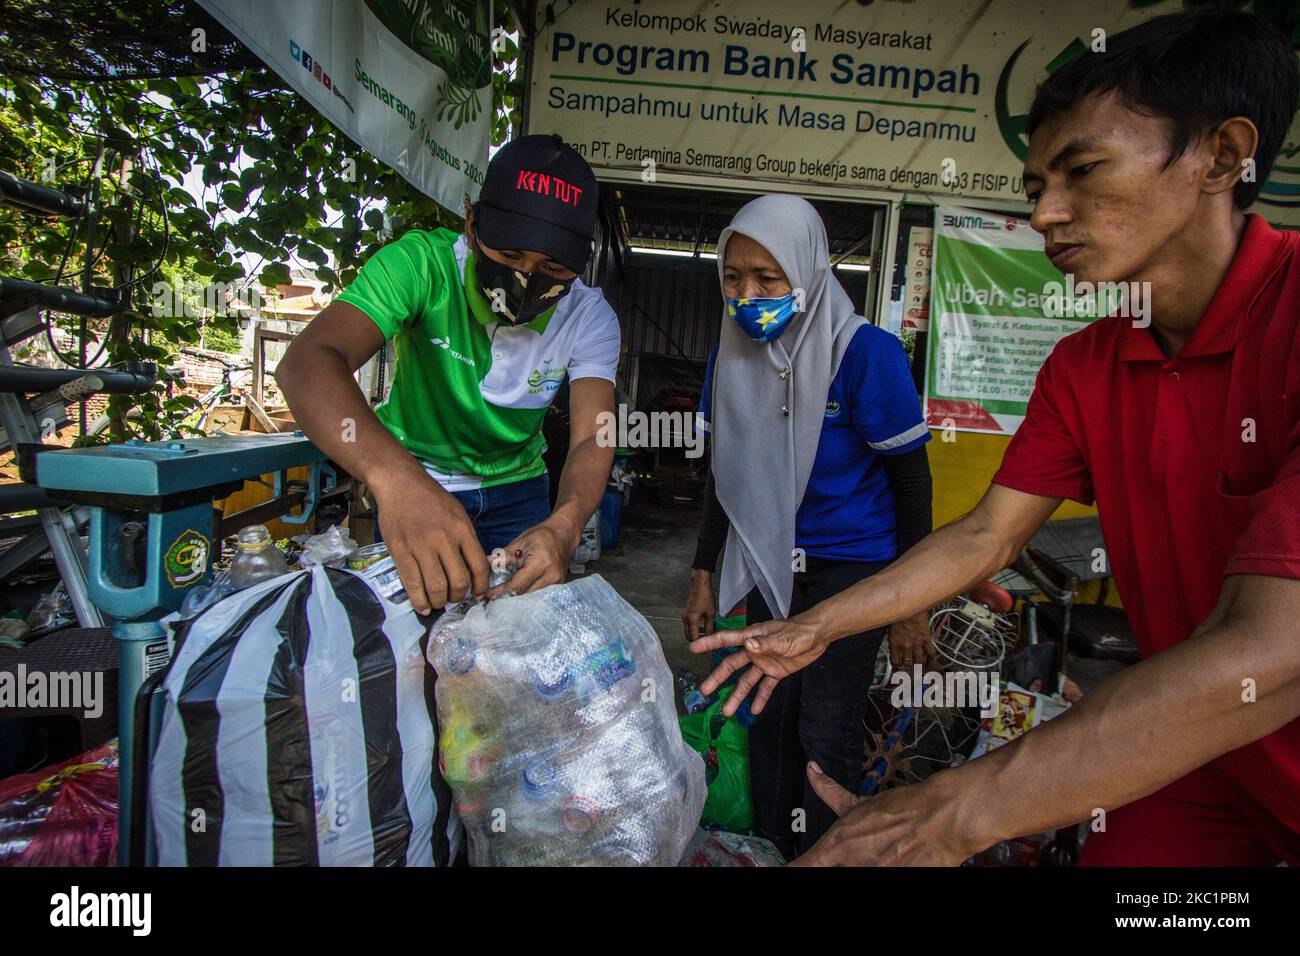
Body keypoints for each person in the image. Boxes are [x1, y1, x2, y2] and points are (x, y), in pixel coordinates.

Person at [692, 8, 1300, 866]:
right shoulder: (1084, 366)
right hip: (1200, 755)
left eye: (1083, 171)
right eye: (1034, 189)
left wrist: (953, 811)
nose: (1049, 213)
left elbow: (1272, 646)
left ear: (1223, 157)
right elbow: (986, 535)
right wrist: (822, 624)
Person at [680, 194, 933, 859]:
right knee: (766, 709)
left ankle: (825, 849)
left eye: (768, 279)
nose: (747, 295)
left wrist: (913, 602)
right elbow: (723, 481)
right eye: (734, 278)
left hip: (856, 567)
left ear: (808, 271)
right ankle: (772, 844)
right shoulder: (729, 359)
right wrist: (703, 576)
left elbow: (912, 482)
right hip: (771, 559)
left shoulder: (864, 355)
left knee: (825, 719)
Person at [278, 134, 619, 614]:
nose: (525, 279)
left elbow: (593, 436)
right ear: (472, 222)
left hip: (519, 493)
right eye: (509, 257)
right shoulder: (421, 267)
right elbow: (308, 363)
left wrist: (564, 524)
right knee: (416, 637)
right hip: (417, 480)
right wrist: (395, 481)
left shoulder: (589, 316)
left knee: (510, 651)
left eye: (552, 267)